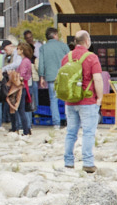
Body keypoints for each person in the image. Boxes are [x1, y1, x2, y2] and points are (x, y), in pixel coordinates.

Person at [57, 31, 103, 170]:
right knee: (88, 132)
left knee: (71, 132)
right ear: (87, 41)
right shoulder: (92, 57)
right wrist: (100, 98)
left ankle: (68, 161)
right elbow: (98, 79)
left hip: (70, 101)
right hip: (88, 101)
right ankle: (88, 163)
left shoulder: (67, 57)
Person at [36, 27, 68, 127]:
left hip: (50, 77)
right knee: (67, 98)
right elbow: (70, 60)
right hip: (64, 75)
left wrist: (41, 76)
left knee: (53, 100)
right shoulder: (63, 46)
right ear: (55, 35)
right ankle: (69, 121)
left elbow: (41, 64)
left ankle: (56, 124)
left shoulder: (43, 48)